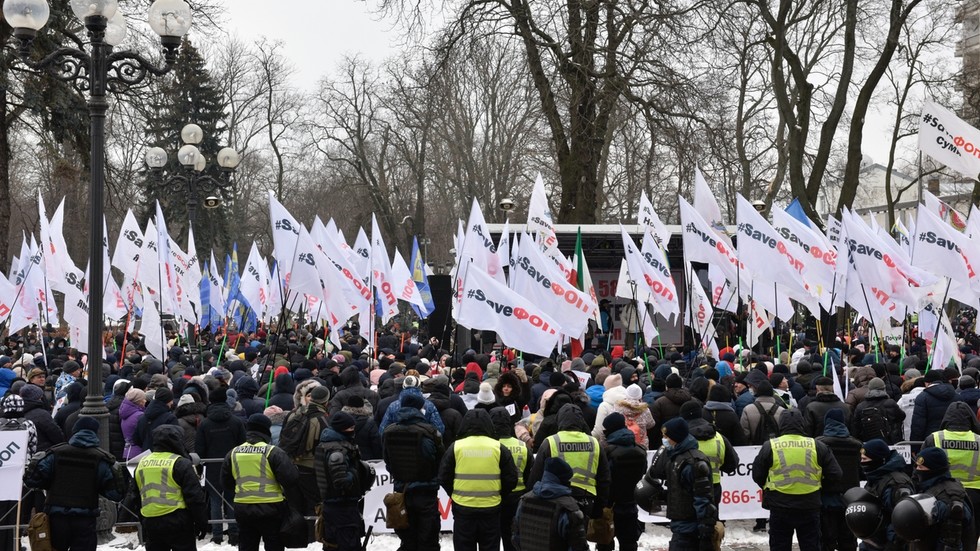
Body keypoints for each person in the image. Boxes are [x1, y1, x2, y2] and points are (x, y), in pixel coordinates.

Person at [24, 417, 127, 551]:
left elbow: (32, 481)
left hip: (56, 518)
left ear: (74, 432)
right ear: (95, 433)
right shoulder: (102, 459)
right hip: (85, 520)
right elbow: (116, 494)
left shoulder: (55, 453)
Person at [752, 409, 842, 551]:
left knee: (779, 546)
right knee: (811, 546)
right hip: (809, 504)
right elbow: (835, 474)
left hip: (780, 505)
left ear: (781, 424)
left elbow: (757, 474)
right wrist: (819, 486)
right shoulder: (817, 445)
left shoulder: (771, 446)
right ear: (802, 424)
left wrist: (768, 487)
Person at [439, 408, 519, 551]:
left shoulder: (456, 447)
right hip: (491, 509)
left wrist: (456, 495)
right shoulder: (498, 448)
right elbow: (511, 479)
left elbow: (444, 477)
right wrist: (498, 494)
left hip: (463, 509)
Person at [221, 413, 301, 551]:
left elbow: (225, 483)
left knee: (247, 544)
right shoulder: (273, 452)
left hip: (243, 508)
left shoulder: (233, 453)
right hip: (271, 508)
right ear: (266, 430)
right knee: (274, 544)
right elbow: (290, 479)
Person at [382, 391, 445, 550]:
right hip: (426, 492)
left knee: (407, 540)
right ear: (420, 408)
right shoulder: (429, 431)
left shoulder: (389, 431)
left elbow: (388, 462)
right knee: (427, 539)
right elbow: (438, 460)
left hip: (401, 491)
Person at [528, 403, 611, 520]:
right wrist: (599, 506)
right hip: (586, 498)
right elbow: (604, 478)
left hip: (556, 498)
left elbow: (536, 476)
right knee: (580, 536)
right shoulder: (594, 443)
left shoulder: (551, 442)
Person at [133, 425, 209, 551]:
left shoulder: (142, 463)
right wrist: (202, 522)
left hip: (151, 521)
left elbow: (135, 496)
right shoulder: (180, 463)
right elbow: (195, 497)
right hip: (178, 521)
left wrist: (144, 521)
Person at [646, 418, 717, 550]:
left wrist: (705, 533)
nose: (664, 440)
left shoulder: (693, 463)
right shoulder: (675, 458)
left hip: (691, 529)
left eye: (666, 436)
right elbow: (681, 490)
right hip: (680, 526)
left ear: (676, 437)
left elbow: (703, 499)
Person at [920, 401, 980, 546]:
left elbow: (921, 468)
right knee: (969, 539)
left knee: (938, 539)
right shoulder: (978, 440)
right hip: (975, 496)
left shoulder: (934, 438)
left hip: (941, 495)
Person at [196, 386, 246, 545]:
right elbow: (243, 445)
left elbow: (199, 449)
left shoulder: (205, 424)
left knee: (215, 501)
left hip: (212, 467)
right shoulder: (236, 421)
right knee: (231, 499)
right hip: (232, 465)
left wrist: (201, 467)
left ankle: (217, 534)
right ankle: (234, 533)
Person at [315, 411, 369, 551]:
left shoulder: (327, 445)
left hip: (332, 505)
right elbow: (341, 480)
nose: (353, 431)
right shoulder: (337, 451)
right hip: (342, 506)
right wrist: (357, 473)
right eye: (350, 428)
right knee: (348, 544)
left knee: (333, 545)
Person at [511, 457, 589, 551]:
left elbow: (516, 538)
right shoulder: (568, 509)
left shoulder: (524, 501)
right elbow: (578, 547)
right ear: (565, 480)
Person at [907, 447, 976, 551]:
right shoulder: (929, 488)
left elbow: (951, 545)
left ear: (934, 470)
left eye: (921, 467)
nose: (917, 470)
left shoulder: (950, 499)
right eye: (916, 466)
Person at [599, 412, 648, 551]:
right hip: (631, 504)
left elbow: (604, 479)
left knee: (605, 541)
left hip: (610, 505)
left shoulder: (607, 452)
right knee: (629, 543)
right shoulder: (640, 450)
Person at [816, 409, 862, 551]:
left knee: (826, 540)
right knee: (848, 540)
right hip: (850, 499)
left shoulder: (818, 444)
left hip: (826, 499)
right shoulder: (856, 444)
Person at [856, 439, 913, 551]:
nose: (862, 463)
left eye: (865, 459)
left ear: (879, 460)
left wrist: (894, 543)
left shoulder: (896, 483)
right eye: (861, 459)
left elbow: (903, 519)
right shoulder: (876, 477)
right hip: (872, 541)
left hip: (888, 543)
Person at [682, 400, 738, 506]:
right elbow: (732, 465)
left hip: (685, 488)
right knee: (711, 518)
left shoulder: (679, 438)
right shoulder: (719, 437)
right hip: (712, 487)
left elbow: (660, 468)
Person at [490, 407, 530, 551]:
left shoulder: (490, 446)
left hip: (494, 497)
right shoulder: (522, 446)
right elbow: (529, 475)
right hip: (517, 497)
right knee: (512, 537)